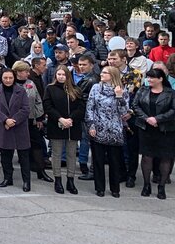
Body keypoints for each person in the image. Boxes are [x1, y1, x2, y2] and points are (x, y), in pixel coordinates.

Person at [132, 67, 175, 199]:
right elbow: (135, 105)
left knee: (165, 157)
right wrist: (147, 119)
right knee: (147, 157)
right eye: (148, 77)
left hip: (165, 129)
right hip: (146, 128)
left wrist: (157, 119)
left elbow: (173, 110)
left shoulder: (171, 93)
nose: (149, 80)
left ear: (160, 79)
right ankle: (146, 185)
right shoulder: (143, 90)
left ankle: (161, 186)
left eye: (152, 77)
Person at [86, 65, 128, 198]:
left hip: (115, 130)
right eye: (102, 72)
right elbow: (90, 107)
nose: (101, 74)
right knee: (98, 160)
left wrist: (119, 97)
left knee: (114, 161)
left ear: (112, 75)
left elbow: (124, 112)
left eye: (105, 73)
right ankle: (100, 188)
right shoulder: (96, 88)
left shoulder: (121, 89)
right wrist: (91, 125)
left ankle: (115, 188)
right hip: (98, 128)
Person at [43, 65, 84, 195]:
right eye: (58, 74)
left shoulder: (76, 90)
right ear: (55, 75)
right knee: (56, 154)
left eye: (63, 75)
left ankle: (70, 180)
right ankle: (58, 179)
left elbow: (81, 108)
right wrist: (60, 119)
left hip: (73, 126)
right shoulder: (50, 89)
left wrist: (71, 119)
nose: (61, 77)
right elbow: (48, 106)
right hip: (56, 125)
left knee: (71, 154)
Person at [0, 68, 32, 191]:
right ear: (1, 79)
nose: (8, 80)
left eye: (10, 78)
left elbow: (25, 109)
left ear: (14, 78)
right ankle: (8, 178)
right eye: (5, 78)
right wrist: (5, 120)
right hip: (4, 127)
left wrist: (13, 120)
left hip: (19, 127)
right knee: (5, 156)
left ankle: (26, 181)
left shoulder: (21, 91)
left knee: (24, 156)